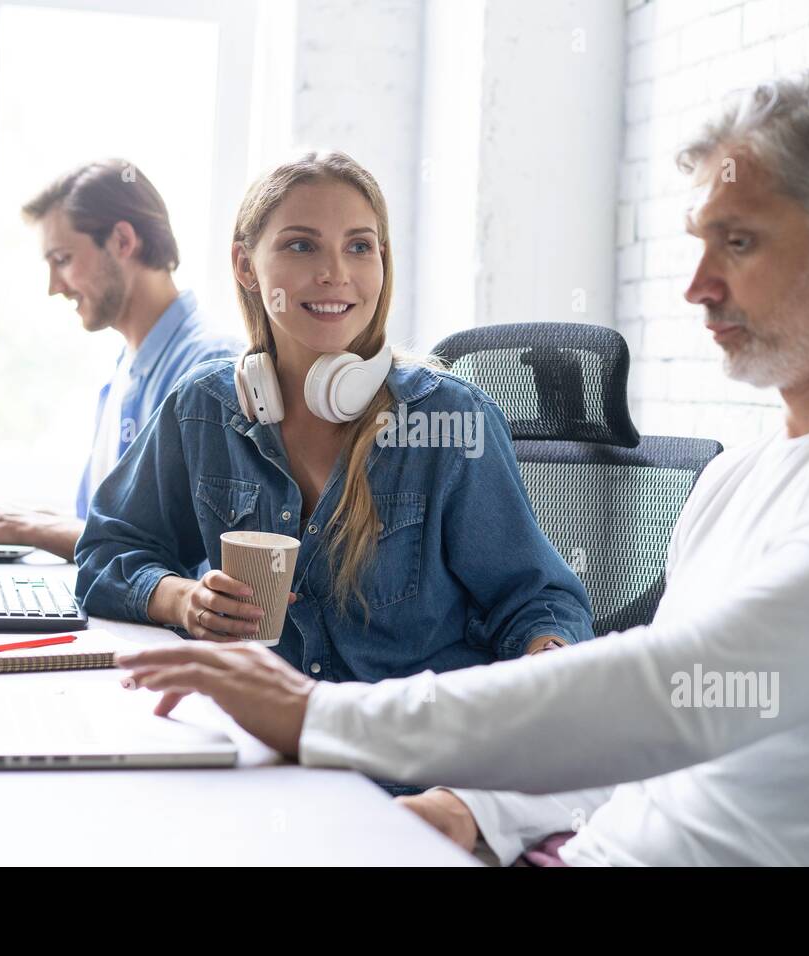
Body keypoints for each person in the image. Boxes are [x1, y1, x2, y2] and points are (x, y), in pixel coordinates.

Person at [114, 73, 809, 865]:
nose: (697, 286)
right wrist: (476, 811)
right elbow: (640, 738)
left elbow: (683, 691)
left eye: (736, 242)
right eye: (698, 244)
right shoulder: (745, 476)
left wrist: (319, 712)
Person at [76, 150, 592, 702]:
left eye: (359, 247)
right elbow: (107, 550)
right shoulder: (203, 409)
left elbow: (538, 600)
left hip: (409, 759)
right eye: (302, 245)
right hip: (262, 742)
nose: (335, 274)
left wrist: (547, 665)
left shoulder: (448, 421)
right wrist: (181, 599)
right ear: (247, 267)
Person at [0, 159, 241, 559]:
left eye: (62, 259)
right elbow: (108, 524)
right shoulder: (127, 368)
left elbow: (162, 549)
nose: (54, 287)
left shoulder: (209, 370)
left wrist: (20, 525)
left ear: (123, 241)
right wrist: (3, 514)